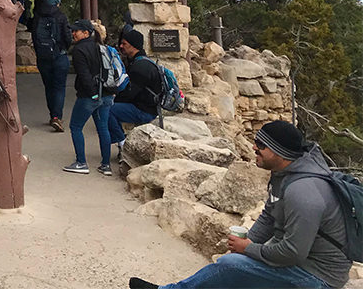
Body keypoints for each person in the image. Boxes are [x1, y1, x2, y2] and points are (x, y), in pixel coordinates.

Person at [130, 120, 351, 289]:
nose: (254, 148)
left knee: (229, 266)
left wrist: (248, 249)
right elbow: (268, 215)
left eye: (261, 145)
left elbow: (293, 253)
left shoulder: (303, 192)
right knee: (234, 264)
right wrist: (248, 241)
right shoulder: (283, 174)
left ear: (279, 152)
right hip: (302, 264)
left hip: (318, 277)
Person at [62, 19, 113, 176]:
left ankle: (81, 162)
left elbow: (84, 75)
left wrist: (93, 94)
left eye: (76, 31)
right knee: (103, 128)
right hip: (106, 93)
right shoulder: (101, 47)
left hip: (89, 96)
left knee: (76, 127)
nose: (73, 33)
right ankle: (106, 165)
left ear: (85, 33)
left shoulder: (79, 50)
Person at [108, 28, 161, 155]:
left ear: (134, 45)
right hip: (146, 106)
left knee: (107, 110)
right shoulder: (143, 62)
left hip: (145, 110)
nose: (121, 46)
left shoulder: (140, 67)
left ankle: (122, 143)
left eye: (124, 44)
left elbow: (130, 93)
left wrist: (113, 99)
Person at [32, 0, 71, 132]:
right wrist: (63, 48)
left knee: (49, 87)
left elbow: (34, 37)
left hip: (43, 58)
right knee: (59, 87)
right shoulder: (61, 17)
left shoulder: (37, 16)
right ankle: (56, 116)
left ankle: (52, 115)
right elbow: (67, 37)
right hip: (59, 56)